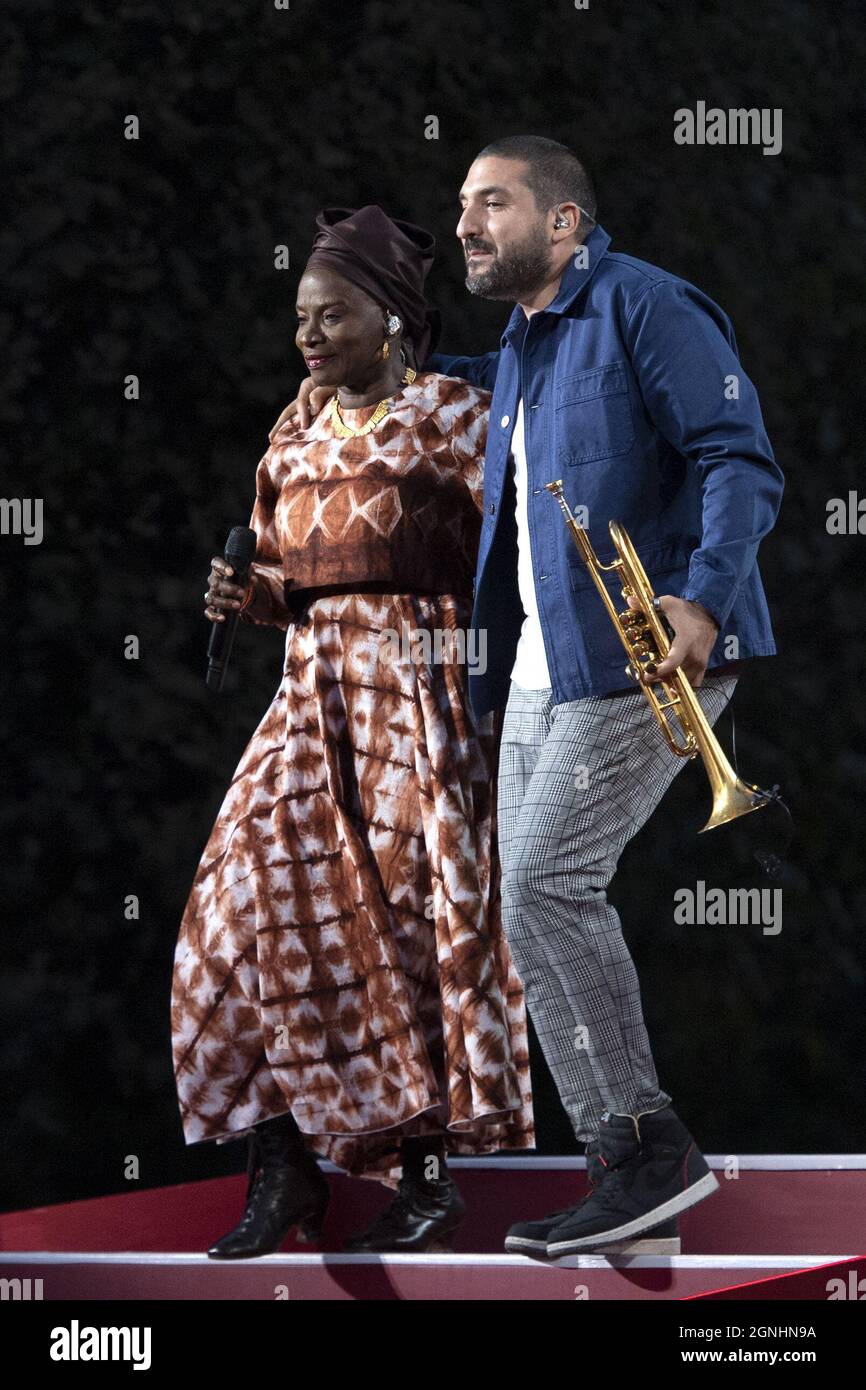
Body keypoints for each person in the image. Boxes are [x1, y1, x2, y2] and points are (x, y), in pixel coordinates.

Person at [284, 137, 784, 1260]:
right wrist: (373, 351)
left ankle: (650, 1146)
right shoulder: (516, 348)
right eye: (459, 204)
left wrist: (700, 603)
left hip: (646, 657)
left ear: (560, 223)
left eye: (490, 203)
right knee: (525, 906)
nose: (464, 223)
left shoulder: (646, 307)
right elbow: (455, 398)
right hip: (541, 672)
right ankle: (628, 1181)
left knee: (549, 882)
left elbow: (737, 458)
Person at [171, 204, 534, 1260]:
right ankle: (282, 1170)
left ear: (389, 319)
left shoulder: (457, 418)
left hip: (416, 694)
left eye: (331, 316)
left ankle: (425, 1179)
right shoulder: (291, 430)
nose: (310, 336)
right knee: (233, 917)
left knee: (404, 925)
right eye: (300, 318)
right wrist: (250, 593)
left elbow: (522, 554)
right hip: (307, 693)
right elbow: (291, 577)